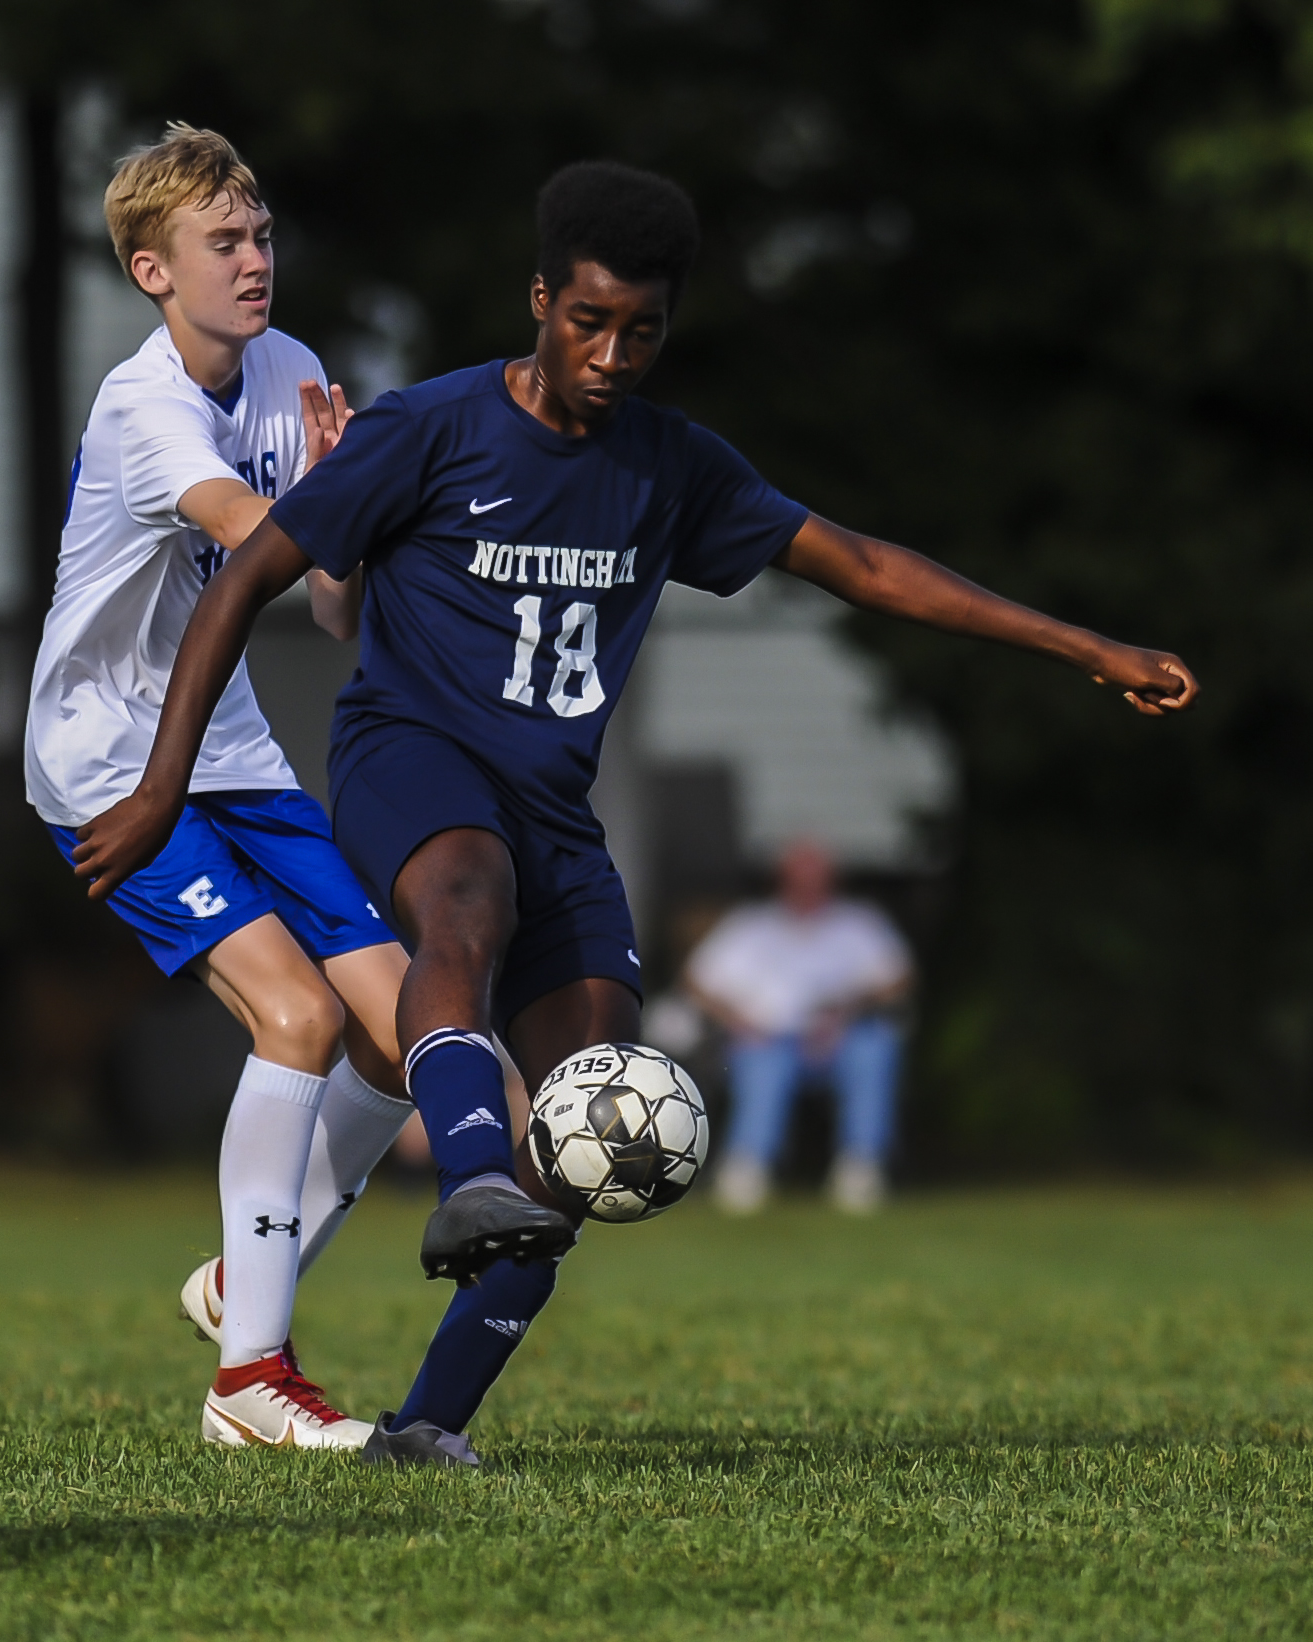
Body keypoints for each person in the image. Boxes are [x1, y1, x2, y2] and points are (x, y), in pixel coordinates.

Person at [72, 159, 1199, 1469]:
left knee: (599, 1109)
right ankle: (469, 1167)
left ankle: (426, 1424)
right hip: (410, 761)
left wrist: (1083, 647)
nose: (611, 354)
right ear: (540, 299)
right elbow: (240, 581)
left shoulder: (671, 467)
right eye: (587, 320)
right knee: (464, 903)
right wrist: (161, 788)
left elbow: (867, 564)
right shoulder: (427, 429)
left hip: (555, 811)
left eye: (643, 329)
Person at [25, 125, 417, 1451]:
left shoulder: (293, 370)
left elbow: (327, 606)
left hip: (229, 747)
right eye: (222, 244)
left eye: (260, 237)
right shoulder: (145, 403)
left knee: (404, 1029)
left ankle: (243, 1281)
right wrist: (361, 504)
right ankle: (252, 1377)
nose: (255, 263)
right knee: (297, 1015)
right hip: (107, 759)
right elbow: (256, 533)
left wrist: (353, 527)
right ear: (151, 270)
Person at [686, 839, 913, 1215]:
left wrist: (848, 1009)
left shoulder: (858, 924)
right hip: (768, 1037)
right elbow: (696, 981)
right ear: (782, 879)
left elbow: (898, 979)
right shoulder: (750, 926)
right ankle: (749, 1165)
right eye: (800, 878)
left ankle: (861, 1165)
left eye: (817, 878)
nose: (809, 887)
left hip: (841, 1037)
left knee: (875, 1047)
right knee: (762, 1061)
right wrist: (738, 1021)